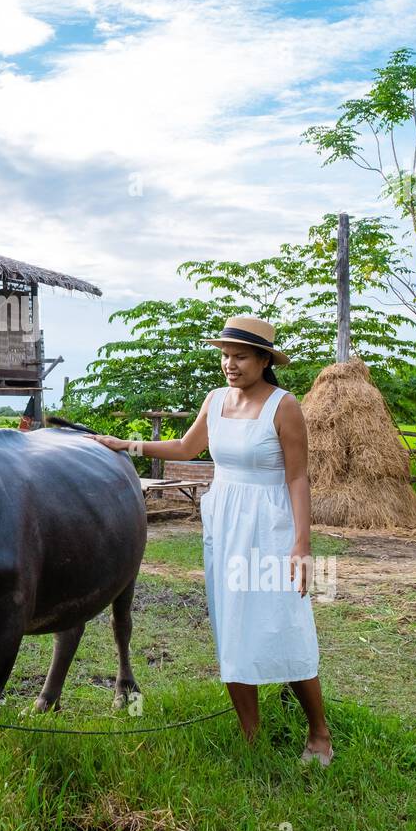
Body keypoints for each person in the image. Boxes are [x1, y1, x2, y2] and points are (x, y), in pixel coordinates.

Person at [83, 315, 333, 766]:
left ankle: (319, 733)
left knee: (284, 623)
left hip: (270, 525)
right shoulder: (215, 401)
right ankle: (251, 739)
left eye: (239, 356)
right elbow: (184, 448)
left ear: (263, 360)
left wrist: (302, 545)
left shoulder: (284, 406)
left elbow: (297, 478)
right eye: (224, 355)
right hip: (224, 523)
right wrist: (127, 445)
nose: (229, 364)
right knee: (233, 627)